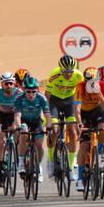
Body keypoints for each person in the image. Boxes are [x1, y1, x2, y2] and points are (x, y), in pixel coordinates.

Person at [44, 55, 84, 183]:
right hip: (54, 101)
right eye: (65, 72)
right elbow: (47, 96)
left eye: (70, 71)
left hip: (69, 102)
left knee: (72, 131)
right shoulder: (54, 75)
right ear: (61, 70)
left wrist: (79, 116)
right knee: (54, 130)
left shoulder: (78, 76)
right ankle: (50, 159)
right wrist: (47, 115)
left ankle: (71, 166)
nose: (68, 74)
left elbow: (82, 95)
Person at [75, 68, 104, 186]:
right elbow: (77, 109)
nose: (91, 84)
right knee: (83, 145)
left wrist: (99, 95)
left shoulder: (103, 86)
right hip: (83, 113)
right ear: (85, 80)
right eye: (89, 81)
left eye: (94, 81)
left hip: (97, 111)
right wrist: (79, 123)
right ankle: (80, 178)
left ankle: (99, 152)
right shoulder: (80, 86)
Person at [14, 76, 51, 182]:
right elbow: (17, 116)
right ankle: (21, 162)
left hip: (36, 122)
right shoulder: (19, 99)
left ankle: (38, 166)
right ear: (24, 90)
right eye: (28, 91)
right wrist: (19, 126)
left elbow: (47, 115)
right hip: (24, 121)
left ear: (37, 90)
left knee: (39, 144)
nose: (31, 94)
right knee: (24, 134)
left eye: (33, 91)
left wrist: (48, 126)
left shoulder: (42, 98)